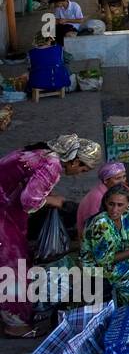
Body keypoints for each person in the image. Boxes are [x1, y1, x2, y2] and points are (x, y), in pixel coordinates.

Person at [0, 136, 101, 336]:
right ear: (74, 161)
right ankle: (16, 324)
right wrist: (56, 202)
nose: (80, 174)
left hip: (6, 207)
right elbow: (30, 201)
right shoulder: (52, 165)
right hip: (3, 214)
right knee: (12, 265)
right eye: (82, 169)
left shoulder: (41, 152)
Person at [75, 161, 129, 237]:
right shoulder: (98, 197)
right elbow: (93, 225)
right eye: (118, 178)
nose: (123, 181)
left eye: (124, 177)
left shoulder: (111, 192)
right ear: (106, 180)